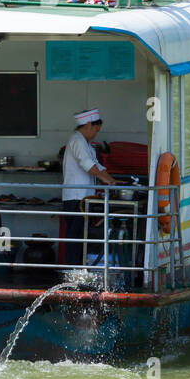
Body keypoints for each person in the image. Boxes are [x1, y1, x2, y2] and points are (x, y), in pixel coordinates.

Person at [61, 108, 116, 267]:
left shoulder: (86, 143)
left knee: (80, 235)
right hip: (75, 197)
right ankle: (72, 272)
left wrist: (112, 180)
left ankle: (78, 270)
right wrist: (107, 181)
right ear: (88, 125)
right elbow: (88, 166)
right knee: (74, 236)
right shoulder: (77, 140)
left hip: (84, 197)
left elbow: (97, 166)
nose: (95, 134)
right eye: (95, 130)